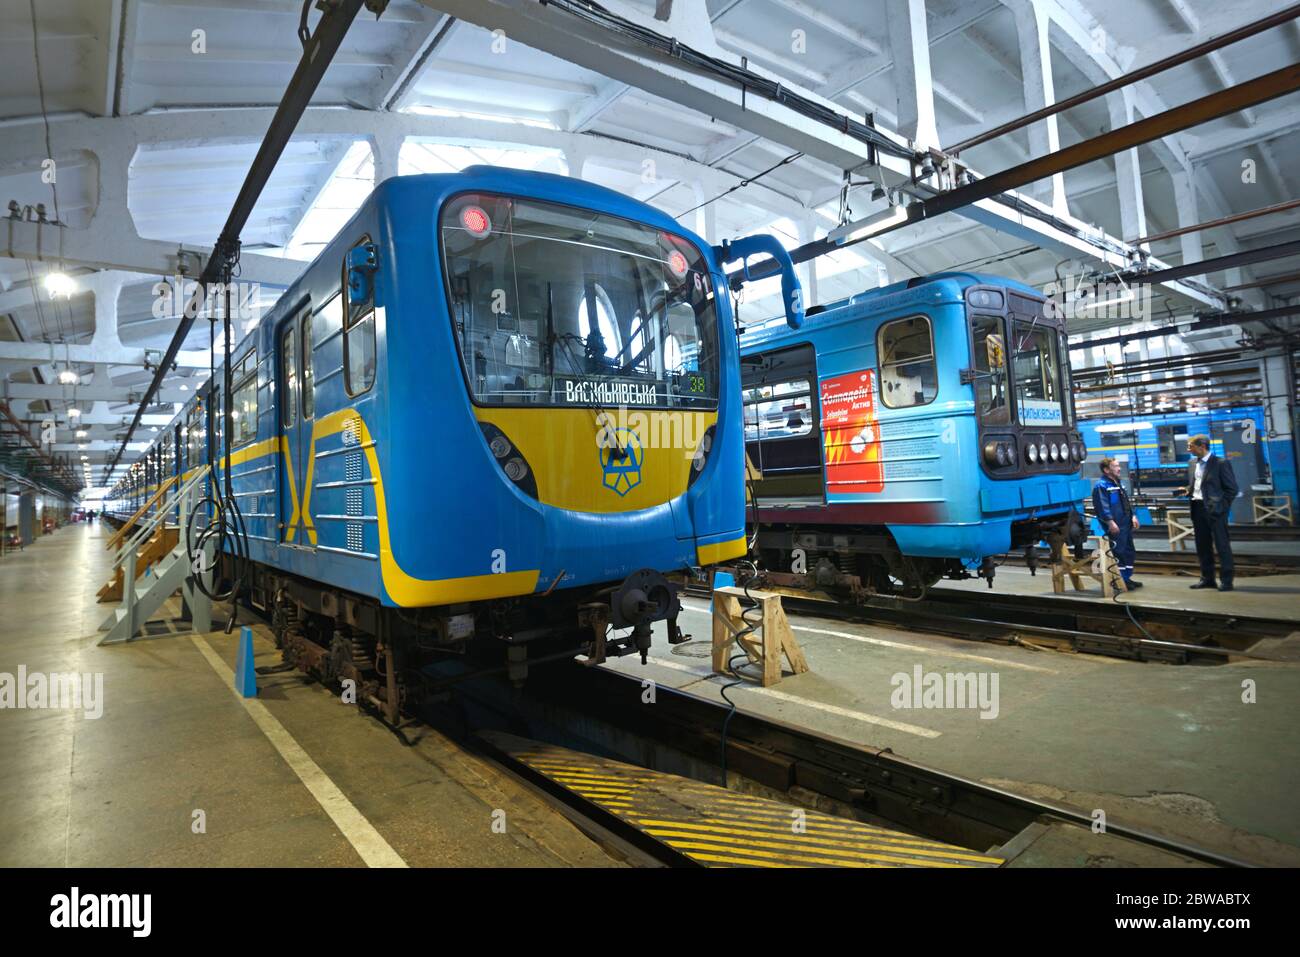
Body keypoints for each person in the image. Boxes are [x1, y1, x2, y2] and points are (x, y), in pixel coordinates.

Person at [1176, 434, 1238, 591]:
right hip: (1197, 508)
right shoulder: (1195, 464)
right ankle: (1208, 579)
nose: (1188, 449)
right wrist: (1188, 490)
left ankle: (1226, 581)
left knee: (1222, 545)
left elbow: (1232, 489)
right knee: (1202, 546)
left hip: (1215, 510)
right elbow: (1200, 486)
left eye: (1191, 446)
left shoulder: (1220, 463)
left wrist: (1221, 507)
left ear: (1202, 446)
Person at [1092, 456, 1141, 590]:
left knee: (1128, 550)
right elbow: (1103, 506)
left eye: (1118, 465)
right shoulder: (1101, 486)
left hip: (1126, 522)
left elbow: (1126, 501)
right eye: (1115, 466)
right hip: (1116, 524)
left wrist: (1133, 516)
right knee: (1118, 551)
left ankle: (1126, 578)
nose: (1119, 468)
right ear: (1107, 470)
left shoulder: (1118, 483)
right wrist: (1110, 522)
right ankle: (1119, 580)